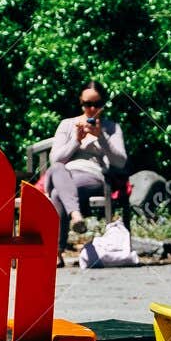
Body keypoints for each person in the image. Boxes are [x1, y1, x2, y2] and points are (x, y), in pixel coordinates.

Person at [46, 81, 127, 258]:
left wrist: (101, 137)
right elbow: (55, 159)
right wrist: (76, 141)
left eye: (96, 105)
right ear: (81, 103)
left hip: (92, 176)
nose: (91, 109)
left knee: (57, 194)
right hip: (65, 172)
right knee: (57, 169)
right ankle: (75, 214)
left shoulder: (112, 128)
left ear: (103, 104)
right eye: (87, 104)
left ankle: (56, 253)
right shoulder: (67, 125)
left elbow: (120, 162)